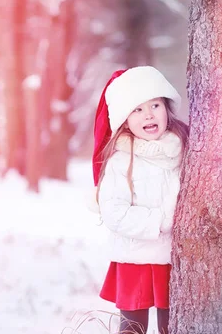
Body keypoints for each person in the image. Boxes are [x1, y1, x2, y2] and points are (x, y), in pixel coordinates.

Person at [91, 66, 188, 334]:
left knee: (174, 325)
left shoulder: (181, 149)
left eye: (155, 105)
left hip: (173, 258)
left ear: (167, 108)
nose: (148, 114)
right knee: (133, 327)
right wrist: (161, 221)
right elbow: (114, 213)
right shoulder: (121, 160)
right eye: (137, 109)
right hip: (136, 258)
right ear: (124, 118)